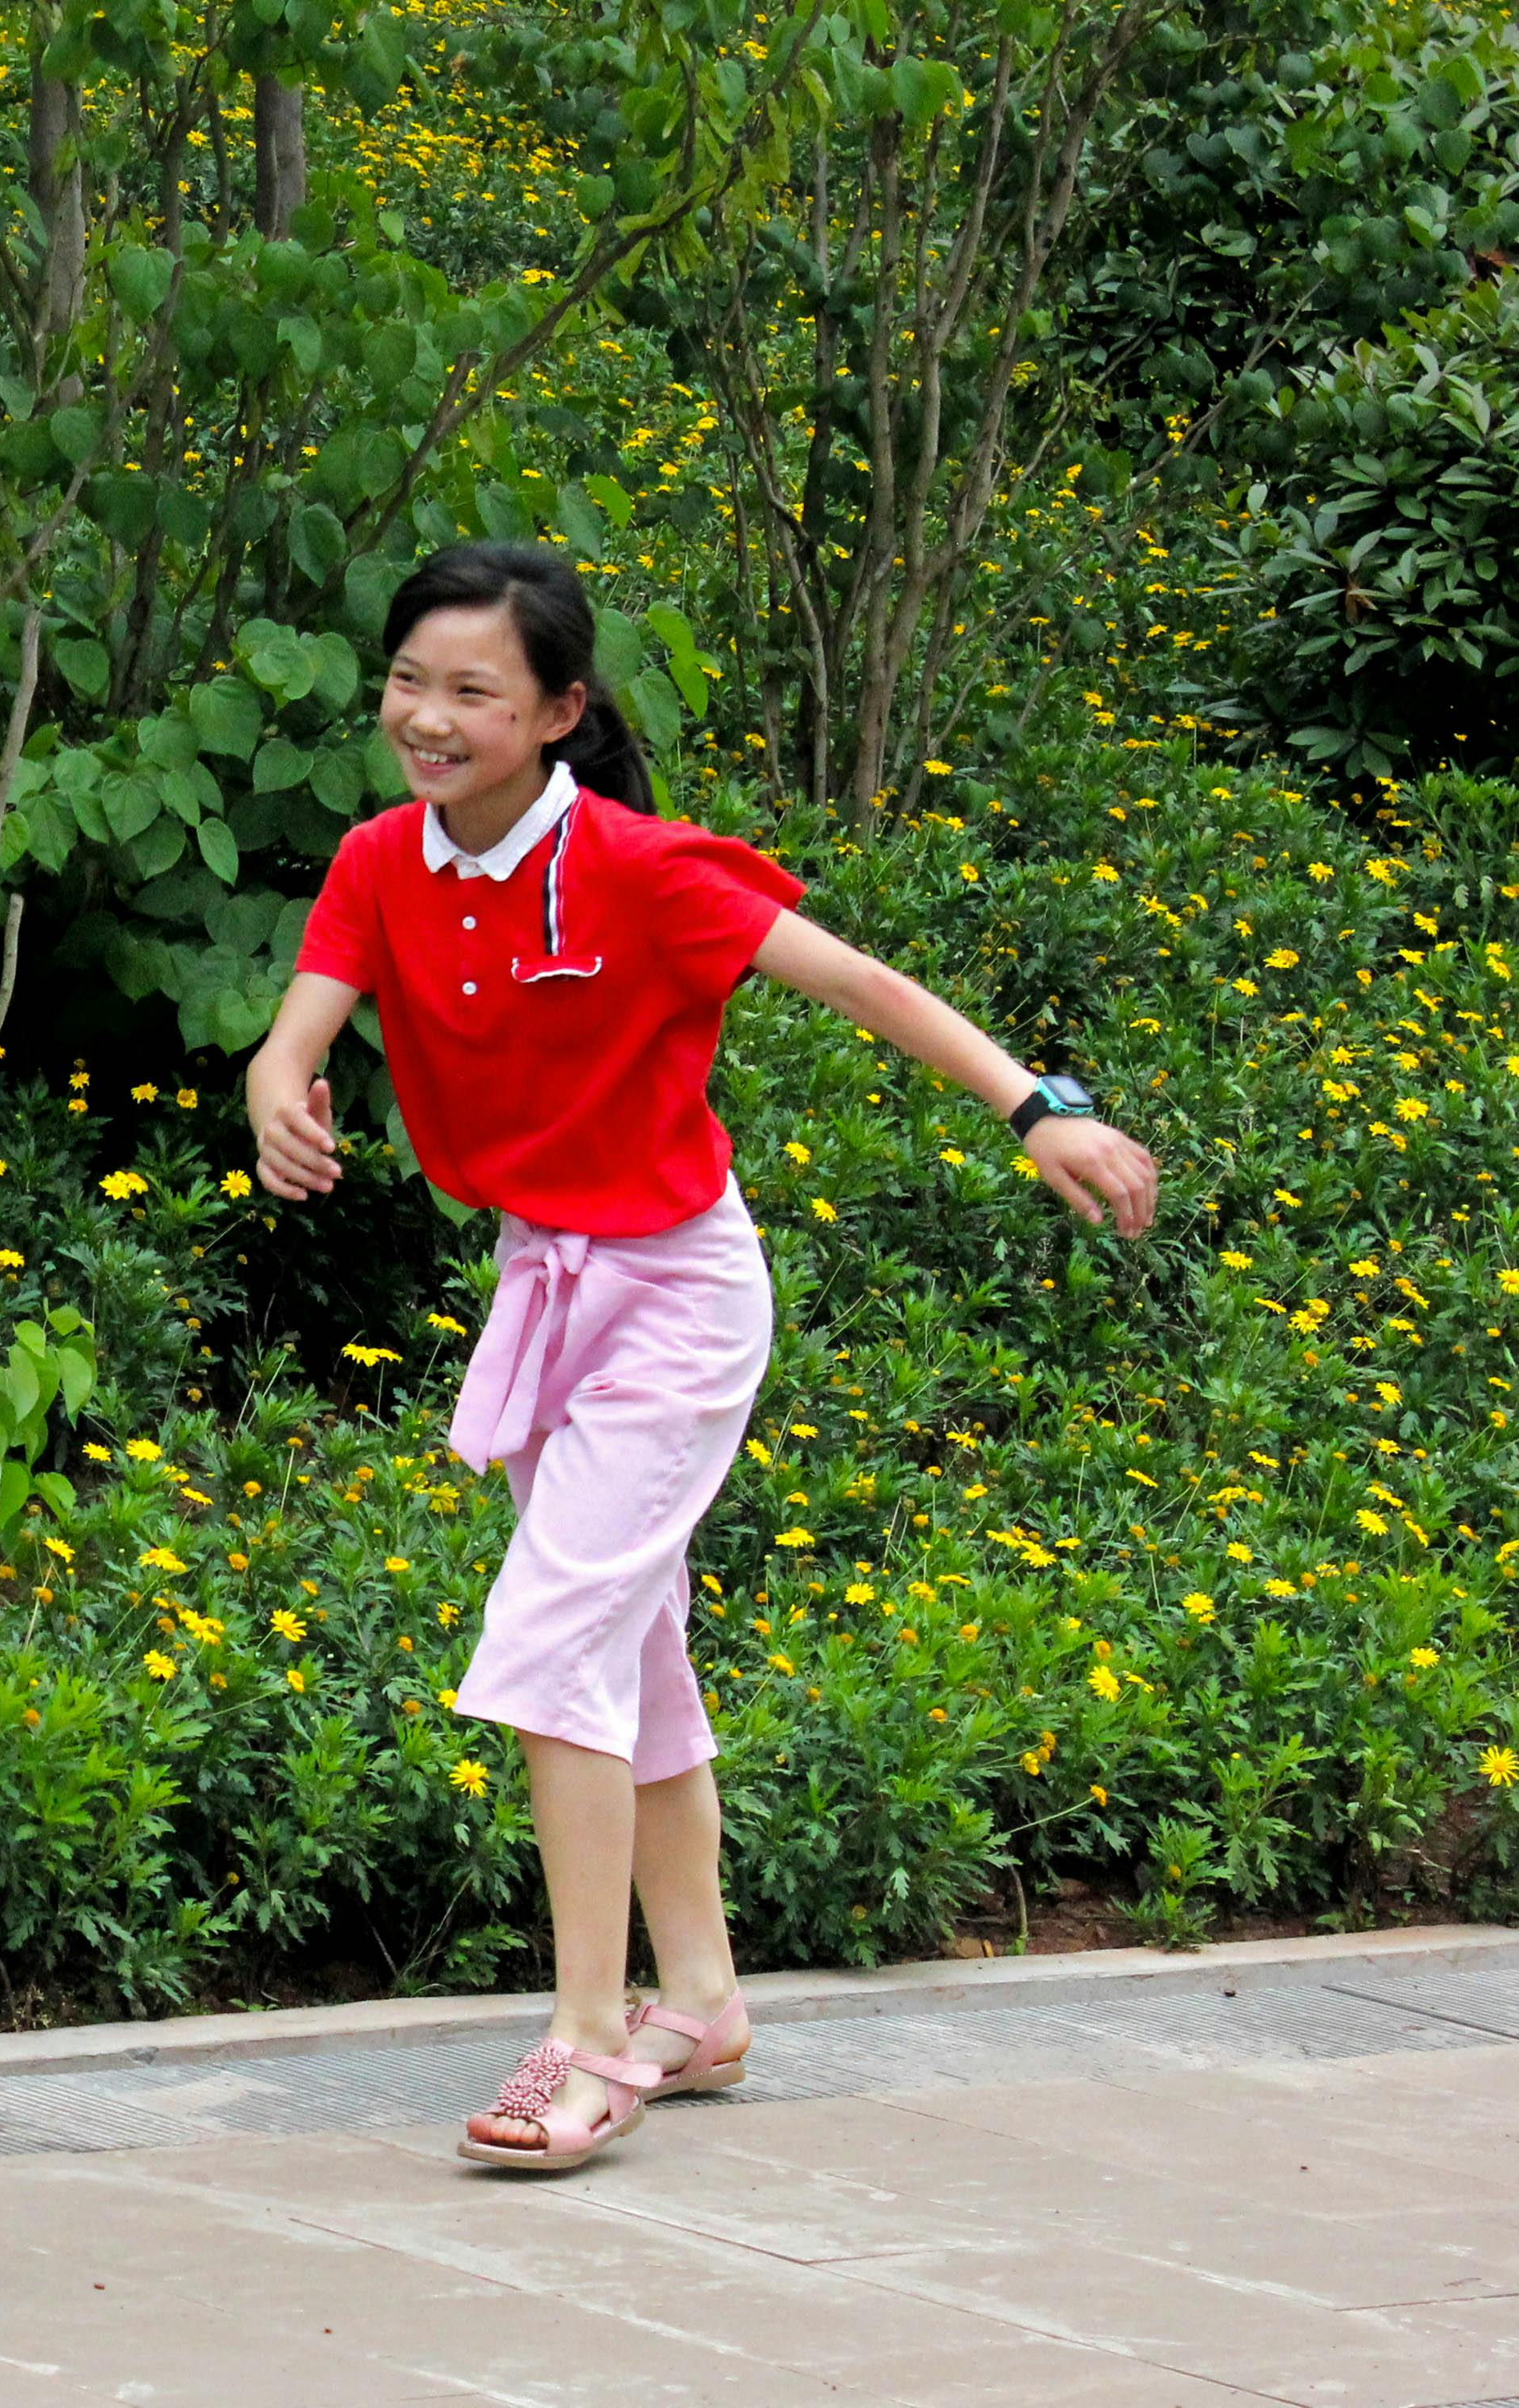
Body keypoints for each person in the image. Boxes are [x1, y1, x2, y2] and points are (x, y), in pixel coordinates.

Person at [240, 543, 1158, 2170]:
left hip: (674, 1294)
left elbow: (861, 984)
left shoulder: (643, 867)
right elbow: (302, 1019)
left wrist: (1037, 1112)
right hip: (546, 1286)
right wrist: (280, 1085)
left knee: (549, 1634)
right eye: (409, 683)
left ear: (556, 713)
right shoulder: (384, 858)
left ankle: (587, 2040)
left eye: (472, 692)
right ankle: (707, 2001)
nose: (427, 718)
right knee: (627, 1643)